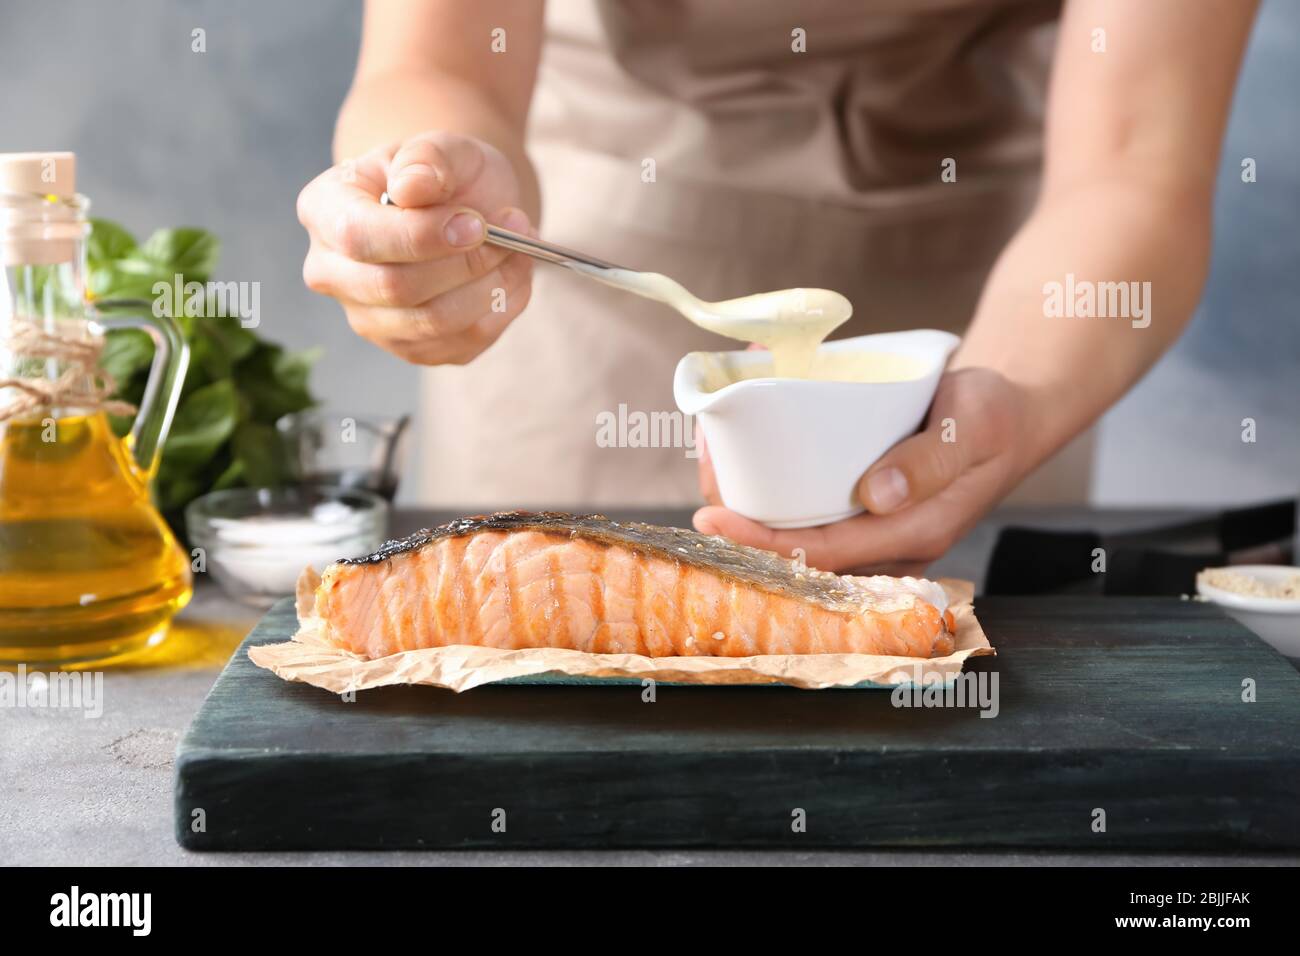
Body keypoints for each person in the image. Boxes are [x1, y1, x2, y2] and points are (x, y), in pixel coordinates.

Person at [297, 0, 1258, 574]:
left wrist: (1015, 388)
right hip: (592, 285)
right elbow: (436, 61)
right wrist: (424, 198)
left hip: (997, 310)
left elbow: (1134, 167)